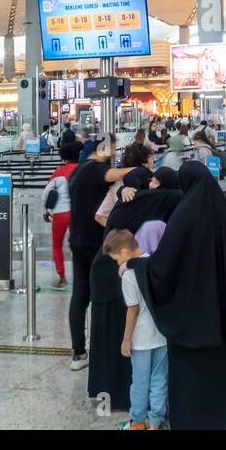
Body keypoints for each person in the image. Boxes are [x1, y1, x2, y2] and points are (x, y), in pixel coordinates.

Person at [122, 161, 226, 429]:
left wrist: (136, 264)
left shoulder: (183, 217)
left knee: (193, 375)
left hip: (194, 320)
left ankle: (194, 416)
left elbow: (164, 265)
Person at [87, 149, 168, 412]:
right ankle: (130, 400)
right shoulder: (152, 199)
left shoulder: (123, 196)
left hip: (108, 268)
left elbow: (102, 218)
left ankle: (109, 394)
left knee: (106, 334)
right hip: (119, 270)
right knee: (125, 338)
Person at [66, 135, 136, 371]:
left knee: (80, 295)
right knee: (101, 296)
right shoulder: (95, 169)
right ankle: (101, 351)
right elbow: (113, 175)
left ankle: (78, 352)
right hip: (97, 242)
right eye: (114, 149)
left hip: (77, 240)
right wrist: (140, 168)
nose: (115, 154)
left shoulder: (78, 170)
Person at [103, 229, 169, 430]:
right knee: (159, 380)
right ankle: (156, 423)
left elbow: (133, 309)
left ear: (124, 252)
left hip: (140, 338)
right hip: (162, 334)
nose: (117, 263)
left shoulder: (129, 275)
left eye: (116, 258)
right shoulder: (155, 263)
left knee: (139, 383)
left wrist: (126, 339)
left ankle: (137, 423)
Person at [44, 141, 81, 288]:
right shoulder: (83, 169)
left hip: (60, 213)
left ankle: (62, 278)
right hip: (77, 213)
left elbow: (46, 193)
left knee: (57, 246)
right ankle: (80, 276)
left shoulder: (58, 172)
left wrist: (46, 210)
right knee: (78, 245)